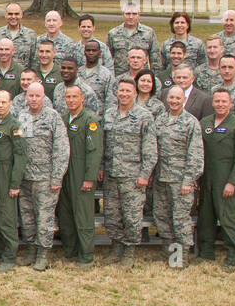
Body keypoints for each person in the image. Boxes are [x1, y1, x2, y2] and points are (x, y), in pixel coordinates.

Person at [102, 77, 158, 268]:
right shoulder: (109, 114)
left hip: (132, 176)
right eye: (121, 90)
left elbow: (150, 149)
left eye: (128, 91)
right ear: (116, 93)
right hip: (111, 174)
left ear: (135, 93)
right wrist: (101, 168)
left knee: (132, 216)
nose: (124, 94)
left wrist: (145, 174)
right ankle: (116, 247)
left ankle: (129, 251)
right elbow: (103, 144)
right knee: (112, 215)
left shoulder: (144, 116)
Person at [197, 87, 235, 271]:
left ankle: (232, 256)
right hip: (207, 179)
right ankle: (206, 253)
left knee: (229, 219)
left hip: (226, 180)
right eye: (217, 101)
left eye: (224, 101)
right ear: (212, 103)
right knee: (206, 217)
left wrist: (234, 182)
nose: (220, 104)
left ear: (231, 103)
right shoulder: (205, 123)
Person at [151, 85, 204, 267]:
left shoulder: (190, 122)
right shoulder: (160, 120)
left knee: (180, 220)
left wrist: (189, 179)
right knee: (162, 217)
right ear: (167, 99)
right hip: (161, 178)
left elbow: (195, 154)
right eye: (171, 98)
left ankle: (181, 257)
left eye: (178, 98)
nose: (174, 101)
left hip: (180, 180)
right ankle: (169, 253)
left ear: (184, 100)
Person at [17, 82, 68, 271]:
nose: (33, 99)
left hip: (45, 179)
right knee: (27, 218)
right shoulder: (22, 116)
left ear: (44, 97)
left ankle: (42, 254)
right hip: (25, 178)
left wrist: (57, 177)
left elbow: (61, 149)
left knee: (44, 219)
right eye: (30, 95)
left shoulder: (53, 117)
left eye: (37, 96)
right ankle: (31, 250)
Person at [56, 85, 101, 267]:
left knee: (83, 215)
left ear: (82, 98)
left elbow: (94, 151)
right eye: (68, 97)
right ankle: (70, 252)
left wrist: (89, 177)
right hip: (65, 172)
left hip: (81, 171)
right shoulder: (63, 119)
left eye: (75, 96)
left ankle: (86, 256)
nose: (71, 100)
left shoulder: (90, 120)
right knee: (65, 215)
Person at [0, 89, 26, 273]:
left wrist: (15, 183)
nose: (0, 105)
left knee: (6, 216)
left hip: (6, 172)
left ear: (11, 104)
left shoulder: (14, 126)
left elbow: (20, 155)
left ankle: (10, 256)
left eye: (4, 102)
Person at [105, 2, 162, 75]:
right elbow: (107, 58)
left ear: (139, 15)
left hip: (142, 77)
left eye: (134, 14)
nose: (131, 17)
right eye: (128, 14)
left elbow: (155, 59)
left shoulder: (148, 33)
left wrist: (155, 77)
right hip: (120, 76)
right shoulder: (113, 33)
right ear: (123, 14)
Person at [0, 3, 37, 69]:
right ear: (5, 15)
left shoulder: (30, 34)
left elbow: (33, 60)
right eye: (10, 14)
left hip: (23, 74)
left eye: (16, 14)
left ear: (21, 15)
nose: (13, 17)